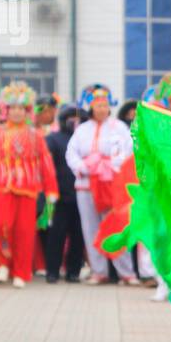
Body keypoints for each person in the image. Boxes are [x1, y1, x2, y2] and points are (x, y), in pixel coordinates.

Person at [0, 82, 58, 286]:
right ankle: (2, 263)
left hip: (27, 190)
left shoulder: (35, 137)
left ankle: (21, 272)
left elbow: (45, 163)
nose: (17, 112)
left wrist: (51, 188)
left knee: (25, 233)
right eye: (13, 108)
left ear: (27, 111)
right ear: (6, 110)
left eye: (21, 108)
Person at [66, 85, 138, 285]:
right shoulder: (81, 130)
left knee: (115, 226)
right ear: (91, 107)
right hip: (87, 185)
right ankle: (99, 271)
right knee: (90, 228)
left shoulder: (119, 128)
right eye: (97, 105)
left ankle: (126, 272)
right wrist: (85, 166)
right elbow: (71, 154)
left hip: (110, 184)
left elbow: (128, 151)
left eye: (104, 105)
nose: (101, 109)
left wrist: (108, 165)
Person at [45, 105, 86, 283]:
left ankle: (73, 271)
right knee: (56, 236)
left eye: (78, 118)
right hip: (60, 196)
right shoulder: (53, 139)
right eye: (70, 117)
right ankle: (52, 271)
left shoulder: (86, 139)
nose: (74, 121)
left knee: (79, 236)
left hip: (82, 195)